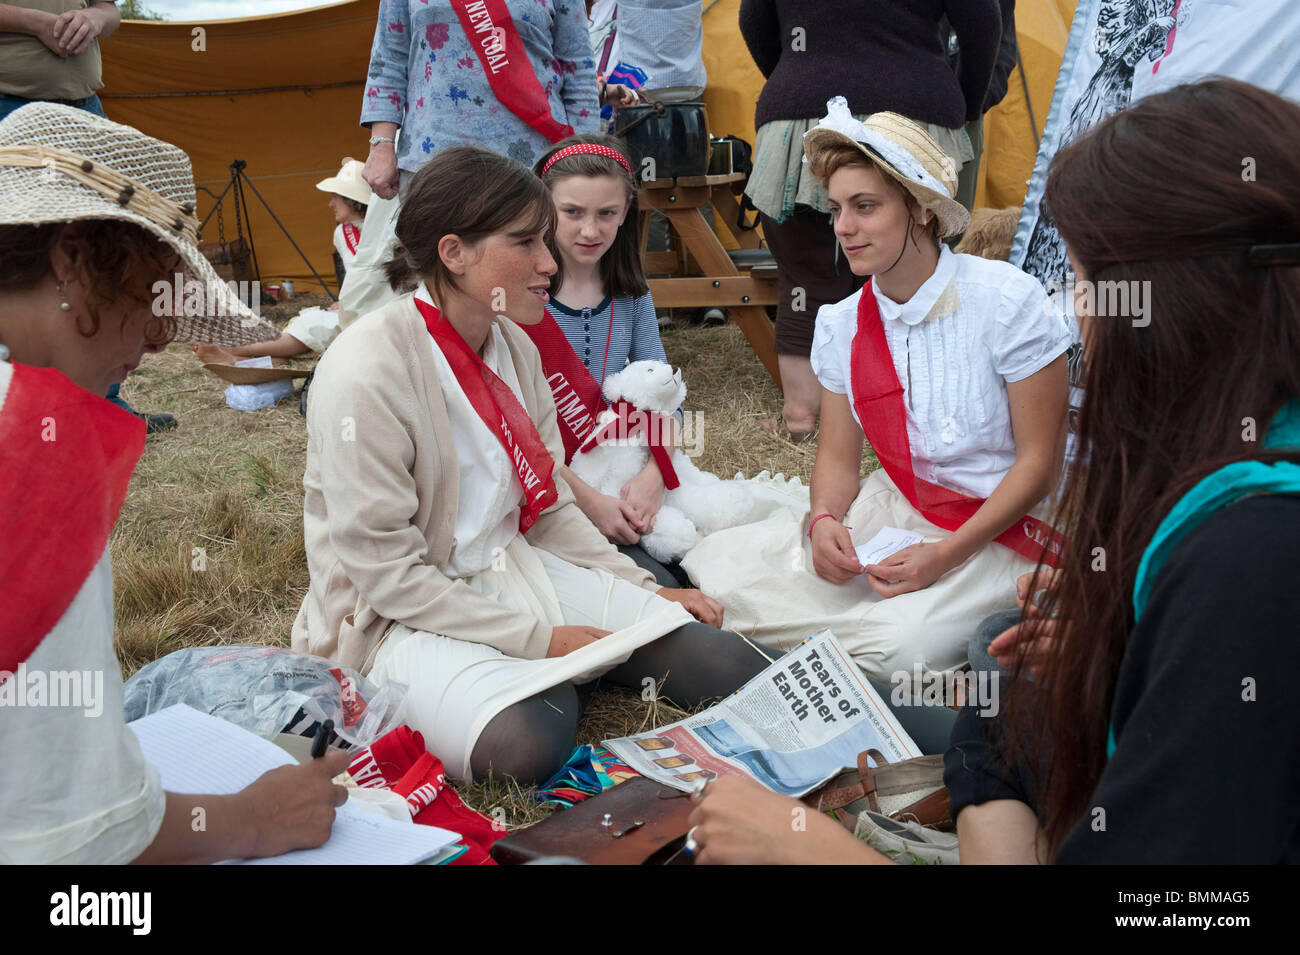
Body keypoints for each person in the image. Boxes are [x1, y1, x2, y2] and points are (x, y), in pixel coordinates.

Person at [687, 77, 1300, 864]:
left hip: (988, 529)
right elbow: (839, 460)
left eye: (1086, 283)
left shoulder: (1252, 547)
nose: (1078, 317)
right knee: (996, 670)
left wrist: (812, 851)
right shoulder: (1228, 484)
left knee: (923, 656)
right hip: (904, 520)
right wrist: (1115, 635)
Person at [291, 145, 771, 787]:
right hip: (400, 616)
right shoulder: (365, 371)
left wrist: (648, 589)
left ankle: (577, 660)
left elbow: (548, 510)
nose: (551, 263)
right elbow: (389, 577)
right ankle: (561, 670)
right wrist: (541, 642)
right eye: (527, 243)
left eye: (546, 240)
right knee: (529, 739)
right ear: (454, 252)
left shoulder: (511, 343)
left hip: (513, 569)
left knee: (720, 662)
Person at [0, 102, 350, 864]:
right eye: (158, 291)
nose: (162, 337)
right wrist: (257, 818)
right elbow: (71, 836)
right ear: (73, 258)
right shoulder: (28, 444)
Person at [682, 100, 1070, 685]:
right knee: (723, 570)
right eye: (837, 208)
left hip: (998, 526)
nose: (842, 227)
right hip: (899, 508)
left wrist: (947, 553)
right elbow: (838, 457)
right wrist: (822, 520)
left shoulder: (1007, 300)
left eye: (865, 207)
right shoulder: (843, 323)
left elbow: (1040, 467)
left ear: (920, 210)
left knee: (896, 650)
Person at [738, 0, 1002, 438]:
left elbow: (754, 21)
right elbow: (982, 22)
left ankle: (802, 415)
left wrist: (799, 78)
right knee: (913, 270)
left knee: (806, 274)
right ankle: (916, 415)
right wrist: (966, 100)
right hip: (912, 111)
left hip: (799, 116)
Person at [336, 0, 601, 334]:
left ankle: (530, 379)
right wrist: (381, 144)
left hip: (530, 165)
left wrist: (586, 159)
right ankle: (441, 382)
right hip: (432, 164)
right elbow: (389, 59)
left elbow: (577, 70)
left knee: (530, 284)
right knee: (437, 289)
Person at [527, 134, 687, 587]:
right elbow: (512, 427)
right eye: (572, 212)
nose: (590, 230)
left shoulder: (632, 297)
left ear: (627, 213)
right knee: (660, 586)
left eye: (607, 214)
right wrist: (591, 503)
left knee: (696, 567)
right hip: (553, 486)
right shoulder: (522, 300)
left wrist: (657, 475)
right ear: (542, 209)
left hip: (626, 470)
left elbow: (664, 399)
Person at [193, 158, 372, 363]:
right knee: (305, 330)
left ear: (352, 200)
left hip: (375, 314)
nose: (330, 203)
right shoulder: (343, 232)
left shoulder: (383, 233)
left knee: (313, 326)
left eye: (335, 197)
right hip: (356, 310)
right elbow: (357, 277)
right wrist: (345, 300)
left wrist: (351, 303)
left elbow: (378, 280)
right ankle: (234, 359)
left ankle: (234, 349)